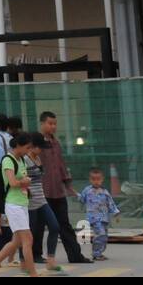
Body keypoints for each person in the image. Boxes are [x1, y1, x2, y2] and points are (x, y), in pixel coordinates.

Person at [38, 111, 91, 264]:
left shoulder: (55, 143)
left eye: (55, 124)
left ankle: (75, 255)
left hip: (58, 191)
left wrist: (68, 185)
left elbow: (61, 165)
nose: (53, 126)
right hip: (42, 191)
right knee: (38, 225)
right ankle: (35, 254)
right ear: (42, 123)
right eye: (50, 123)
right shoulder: (37, 143)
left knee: (64, 225)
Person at [0, 132, 36, 277]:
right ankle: (33, 273)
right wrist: (24, 182)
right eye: (27, 147)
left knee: (16, 241)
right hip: (14, 205)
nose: (28, 151)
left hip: (22, 203)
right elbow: (12, 183)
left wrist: (25, 183)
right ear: (18, 146)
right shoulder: (8, 160)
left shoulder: (22, 160)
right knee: (28, 240)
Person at [26, 134, 62, 272]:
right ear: (34, 146)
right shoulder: (25, 160)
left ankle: (51, 260)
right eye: (40, 147)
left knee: (54, 226)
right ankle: (26, 262)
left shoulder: (38, 158)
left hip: (41, 199)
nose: (42, 150)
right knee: (29, 234)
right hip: (29, 202)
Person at [78, 167, 121, 260]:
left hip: (104, 218)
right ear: (90, 180)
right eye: (93, 179)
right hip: (94, 218)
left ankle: (99, 252)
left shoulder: (105, 192)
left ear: (102, 180)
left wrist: (116, 213)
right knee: (100, 234)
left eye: (98, 179)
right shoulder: (87, 190)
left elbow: (111, 203)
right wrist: (75, 195)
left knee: (104, 236)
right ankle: (96, 254)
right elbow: (81, 199)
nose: (96, 181)